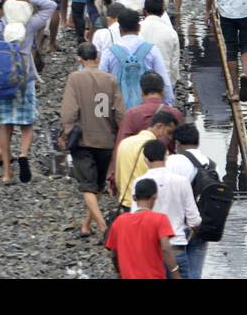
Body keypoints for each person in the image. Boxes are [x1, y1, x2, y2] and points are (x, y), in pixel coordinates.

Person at [0, 0, 57, 184]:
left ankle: (6, 173)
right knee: (27, 124)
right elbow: (51, 6)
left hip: (2, 82)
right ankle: (23, 154)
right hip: (24, 81)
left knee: (6, 126)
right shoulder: (28, 26)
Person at [60, 42, 125, 237]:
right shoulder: (111, 79)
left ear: (79, 59)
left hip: (83, 139)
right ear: (97, 58)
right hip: (106, 138)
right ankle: (86, 225)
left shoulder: (75, 78)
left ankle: (104, 227)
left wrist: (65, 133)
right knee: (97, 185)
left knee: (87, 185)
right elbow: (120, 111)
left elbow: (69, 111)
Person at [133, 139, 202, 276]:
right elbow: (194, 221)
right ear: (166, 154)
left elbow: (136, 216)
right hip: (176, 249)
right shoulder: (182, 181)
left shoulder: (139, 182)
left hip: (149, 253)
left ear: (146, 159)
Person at [104, 177, 181, 279]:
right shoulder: (160, 219)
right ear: (154, 197)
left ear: (134, 198)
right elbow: (166, 249)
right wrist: (176, 274)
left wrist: (119, 271)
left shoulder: (120, 221)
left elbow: (114, 253)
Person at [99, 8, 174, 109]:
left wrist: (101, 113)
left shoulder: (109, 52)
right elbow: (164, 80)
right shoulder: (151, 50)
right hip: (145, 109)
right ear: (139, 27)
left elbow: (101, 84)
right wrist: (168, 105)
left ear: (120, 29)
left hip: (118, 110)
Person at [165, 123, 214, 277]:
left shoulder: (172, 162)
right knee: (195, 273)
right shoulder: (210, 164)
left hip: (176, 225)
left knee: (175, 271)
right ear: (198, 142)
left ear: (177, 143)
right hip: (201, 224)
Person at [113, 109, 179, 209]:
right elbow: (162, 179)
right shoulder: (158, 148)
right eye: (169, 132)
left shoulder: (124, 143)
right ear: (160, 127)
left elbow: (118, 176)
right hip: (146, 205)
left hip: (125, 203)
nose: (169, 137)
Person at [114, 70, 184, 150]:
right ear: (162, 92)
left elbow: (121, 146)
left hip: (140, 161)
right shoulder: (175, 114)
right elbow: (184, 144)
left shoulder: (131, 114)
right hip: (169, 161)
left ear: (142, 92)